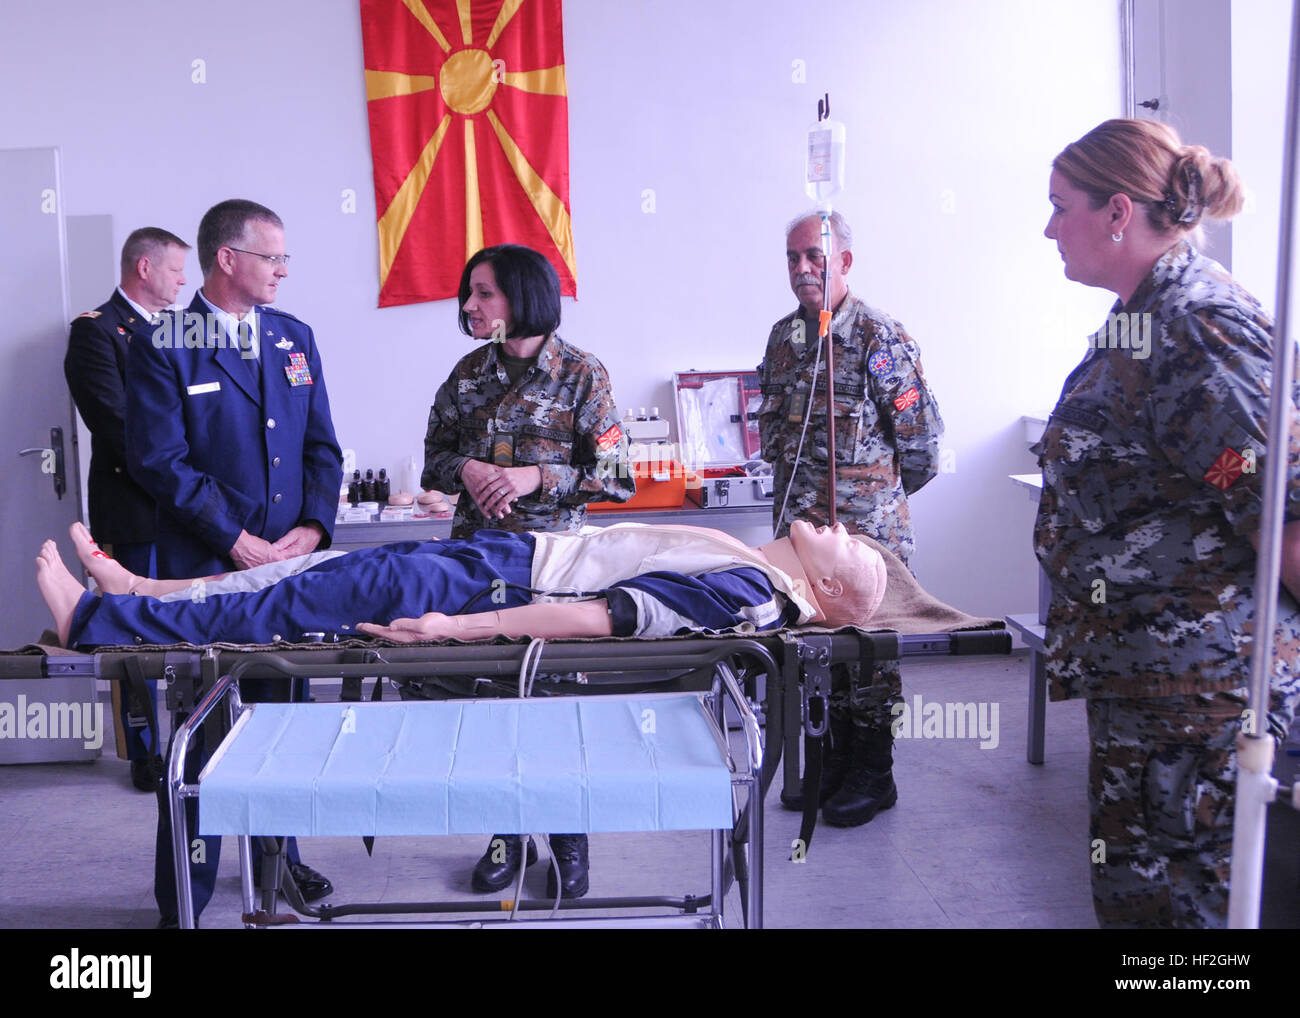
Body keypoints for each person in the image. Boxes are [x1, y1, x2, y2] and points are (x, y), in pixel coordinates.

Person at [1036, 118, 1300, 928]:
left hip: (1200, 717)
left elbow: (1285, 519)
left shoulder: (1194, 327)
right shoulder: (1143, 317)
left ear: (1118, 211)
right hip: (1150, 705)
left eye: (1060, 207)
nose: (1049, 228)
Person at [125, 199, 343, 925]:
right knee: (203, 730)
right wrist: (232, 539)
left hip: (288, 565)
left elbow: (321, 446)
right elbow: (160, 460)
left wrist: (314, 525)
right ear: (227, 259)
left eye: (284, 259)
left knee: (286, 717)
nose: (282, 270)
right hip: (209, 567)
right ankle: (185, 887)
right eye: (271, 256)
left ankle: (284, 861)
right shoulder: (168, 340)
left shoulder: (292, 335)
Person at [422, 244, 635, 897]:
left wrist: (534, 475)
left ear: (522, 296)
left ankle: (570, 845)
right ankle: (506, 836)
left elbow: (617, 478)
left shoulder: (581, 374)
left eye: (483, 292)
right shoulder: (466, 376)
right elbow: (432, 460)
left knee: (553, 706)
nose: (469, 305)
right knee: (489, 704)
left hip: (555, 573)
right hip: (478, 569)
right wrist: (468, 470)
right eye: (469, 293)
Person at [758, 210, 943, 827]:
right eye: (793, 258)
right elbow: (774, 435)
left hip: (869, 535)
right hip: (803, 535)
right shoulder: (784, 339)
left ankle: (874, 770)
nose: (803, 268)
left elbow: (922, 445)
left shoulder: (878, 338)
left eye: (815, 255)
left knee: (869, 654)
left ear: (844, 261)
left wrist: (874, 502)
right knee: (817, 647)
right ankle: (833, 758)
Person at [38, 518, 887, 651]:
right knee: (318, 573)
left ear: (830, 593)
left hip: (491, 590)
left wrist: (450, 631)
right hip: (504, 557)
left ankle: (101, 624)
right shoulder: (762, 565)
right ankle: (145, 591)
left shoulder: (755, 595)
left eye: (852, 548)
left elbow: (600, 619)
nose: (843, 528)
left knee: (294, 605)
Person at [64, 227, 188, 791]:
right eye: (175, 270)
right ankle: (143, 747)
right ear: (144, 267)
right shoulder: (96, 333)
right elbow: (115, 426)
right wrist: (179, 475)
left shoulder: (184, 330)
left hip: (186, 508)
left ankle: (192, 735)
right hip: (135, 505)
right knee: (131, 628)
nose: (184, 281)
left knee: (188, 622)